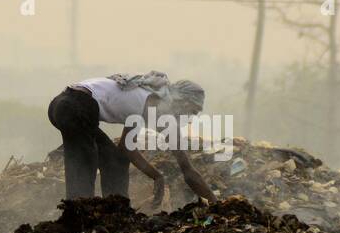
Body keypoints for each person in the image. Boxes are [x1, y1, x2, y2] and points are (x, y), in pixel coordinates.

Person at [47, 72, 217, 206]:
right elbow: (128, 148)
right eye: (192, 111)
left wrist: (213, 201)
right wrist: (157, 176)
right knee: (86, 161)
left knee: (114, 160)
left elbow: (186, 169)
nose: (190, 116)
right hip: (75, 106)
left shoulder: (156, 106)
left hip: (63, 105)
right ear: (182, 101)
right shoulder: (152, 102)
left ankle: (114, 211)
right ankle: (79, 215)